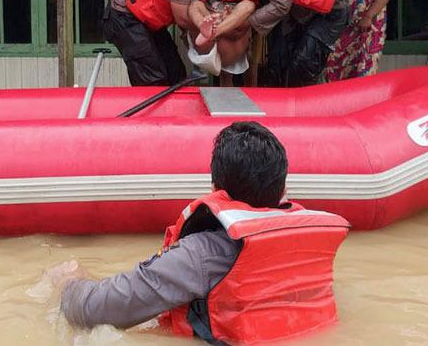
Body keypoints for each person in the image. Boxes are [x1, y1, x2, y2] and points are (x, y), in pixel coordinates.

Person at [51, 121, 350, 344]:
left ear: (216, 190)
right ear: (283, 188)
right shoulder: (310, 241)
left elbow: (97, 311)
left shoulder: (201, 255)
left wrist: (68, 284)